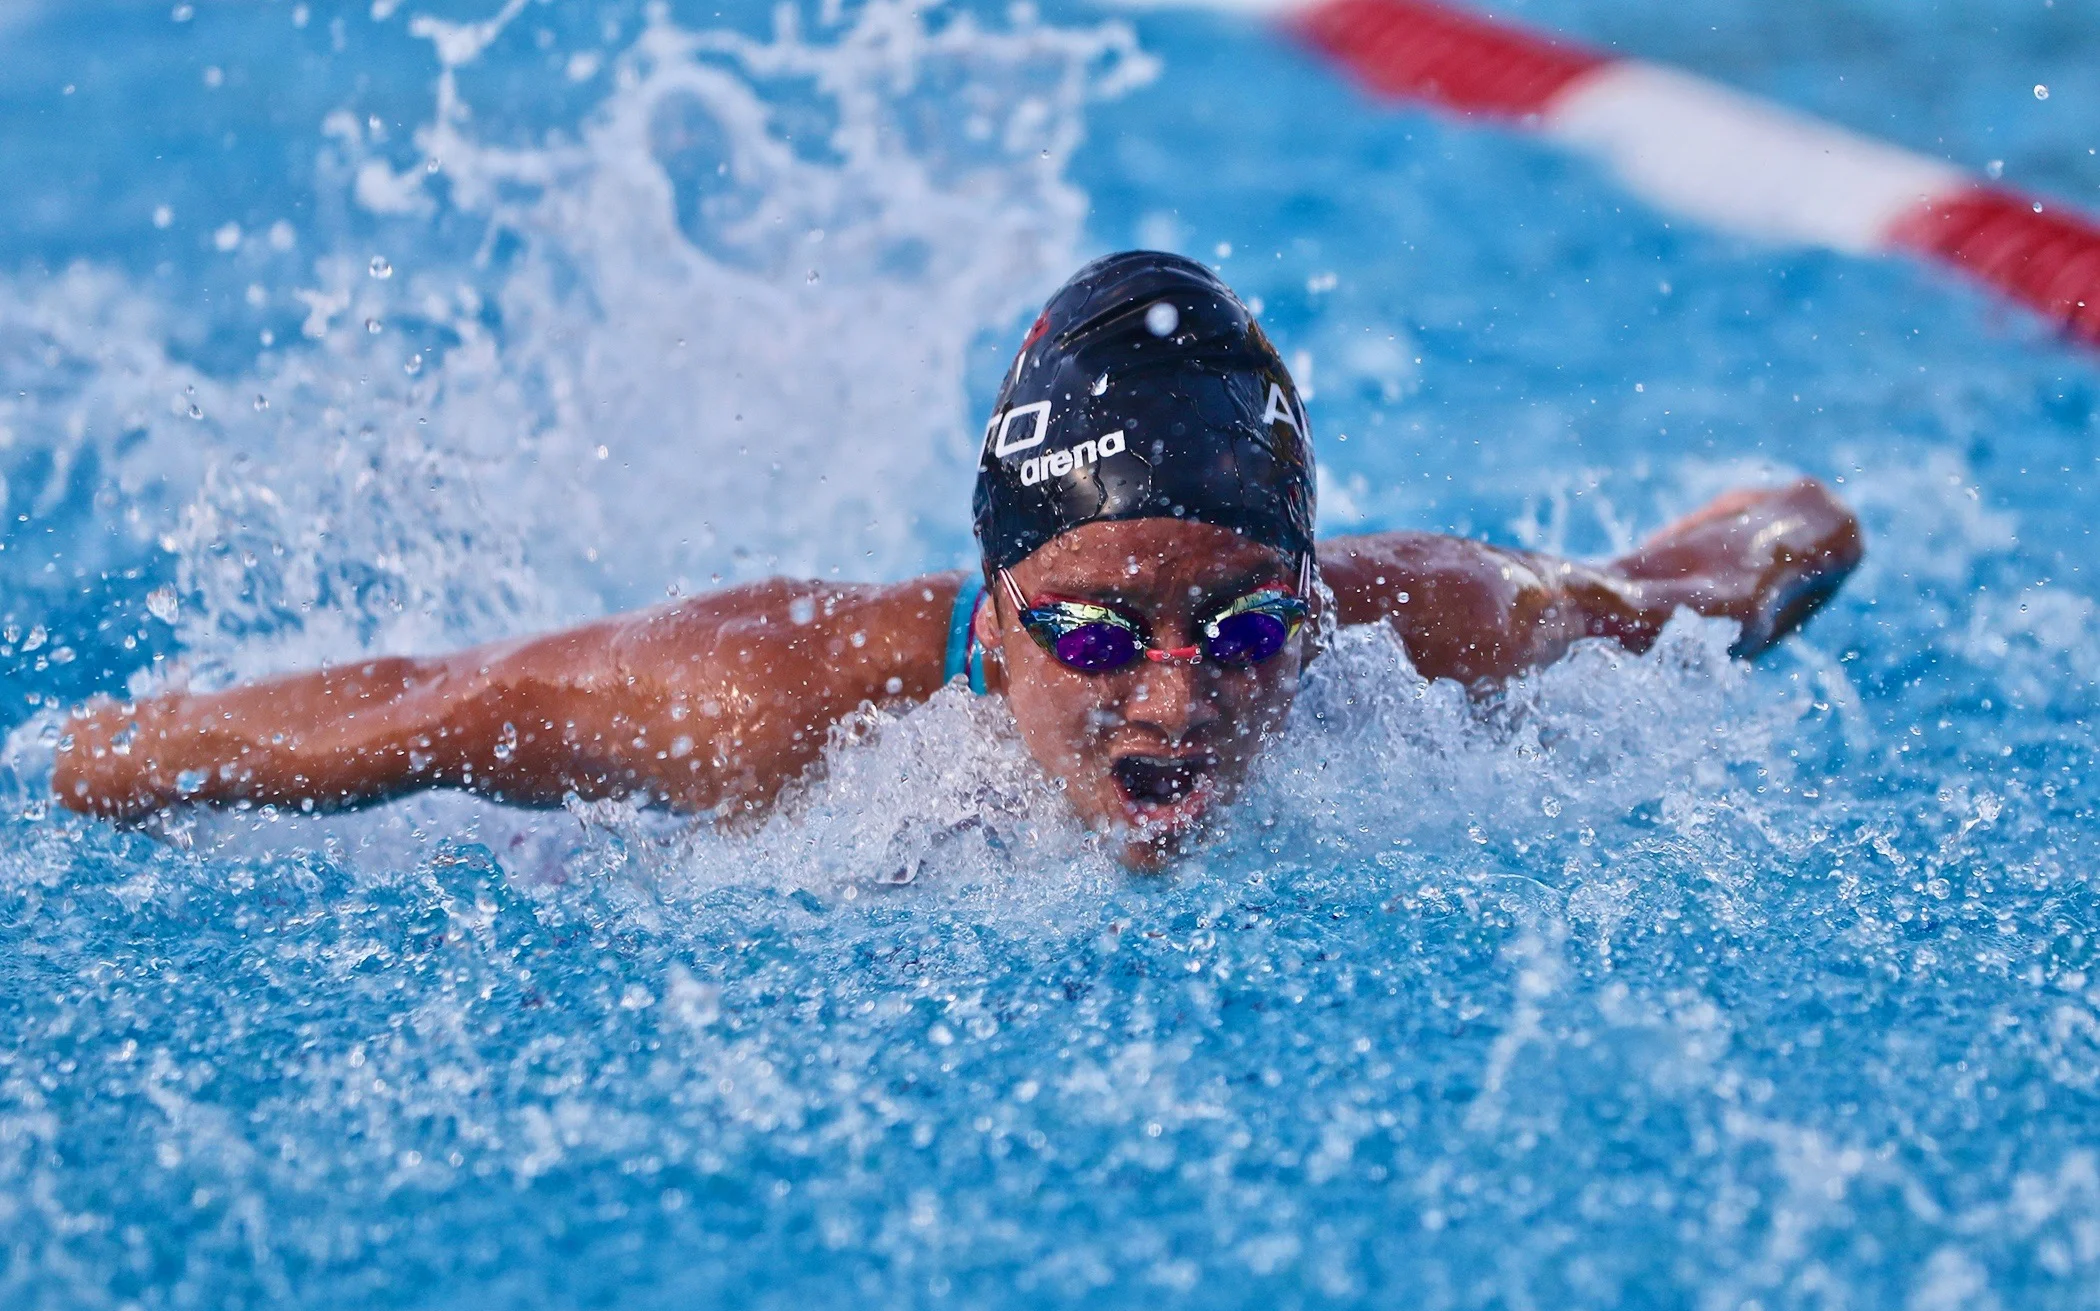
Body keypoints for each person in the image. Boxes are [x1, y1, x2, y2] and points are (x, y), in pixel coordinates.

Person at [53, 251, 1863, 870]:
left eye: (1244, 629)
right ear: (993, 620)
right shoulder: (764, 702)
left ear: (1313, 608)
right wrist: (98, 760)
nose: (1176, 698)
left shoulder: (1436, 626)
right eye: (1096, 635)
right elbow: (422, 709)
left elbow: (1728, 573)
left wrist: (1805, 522)